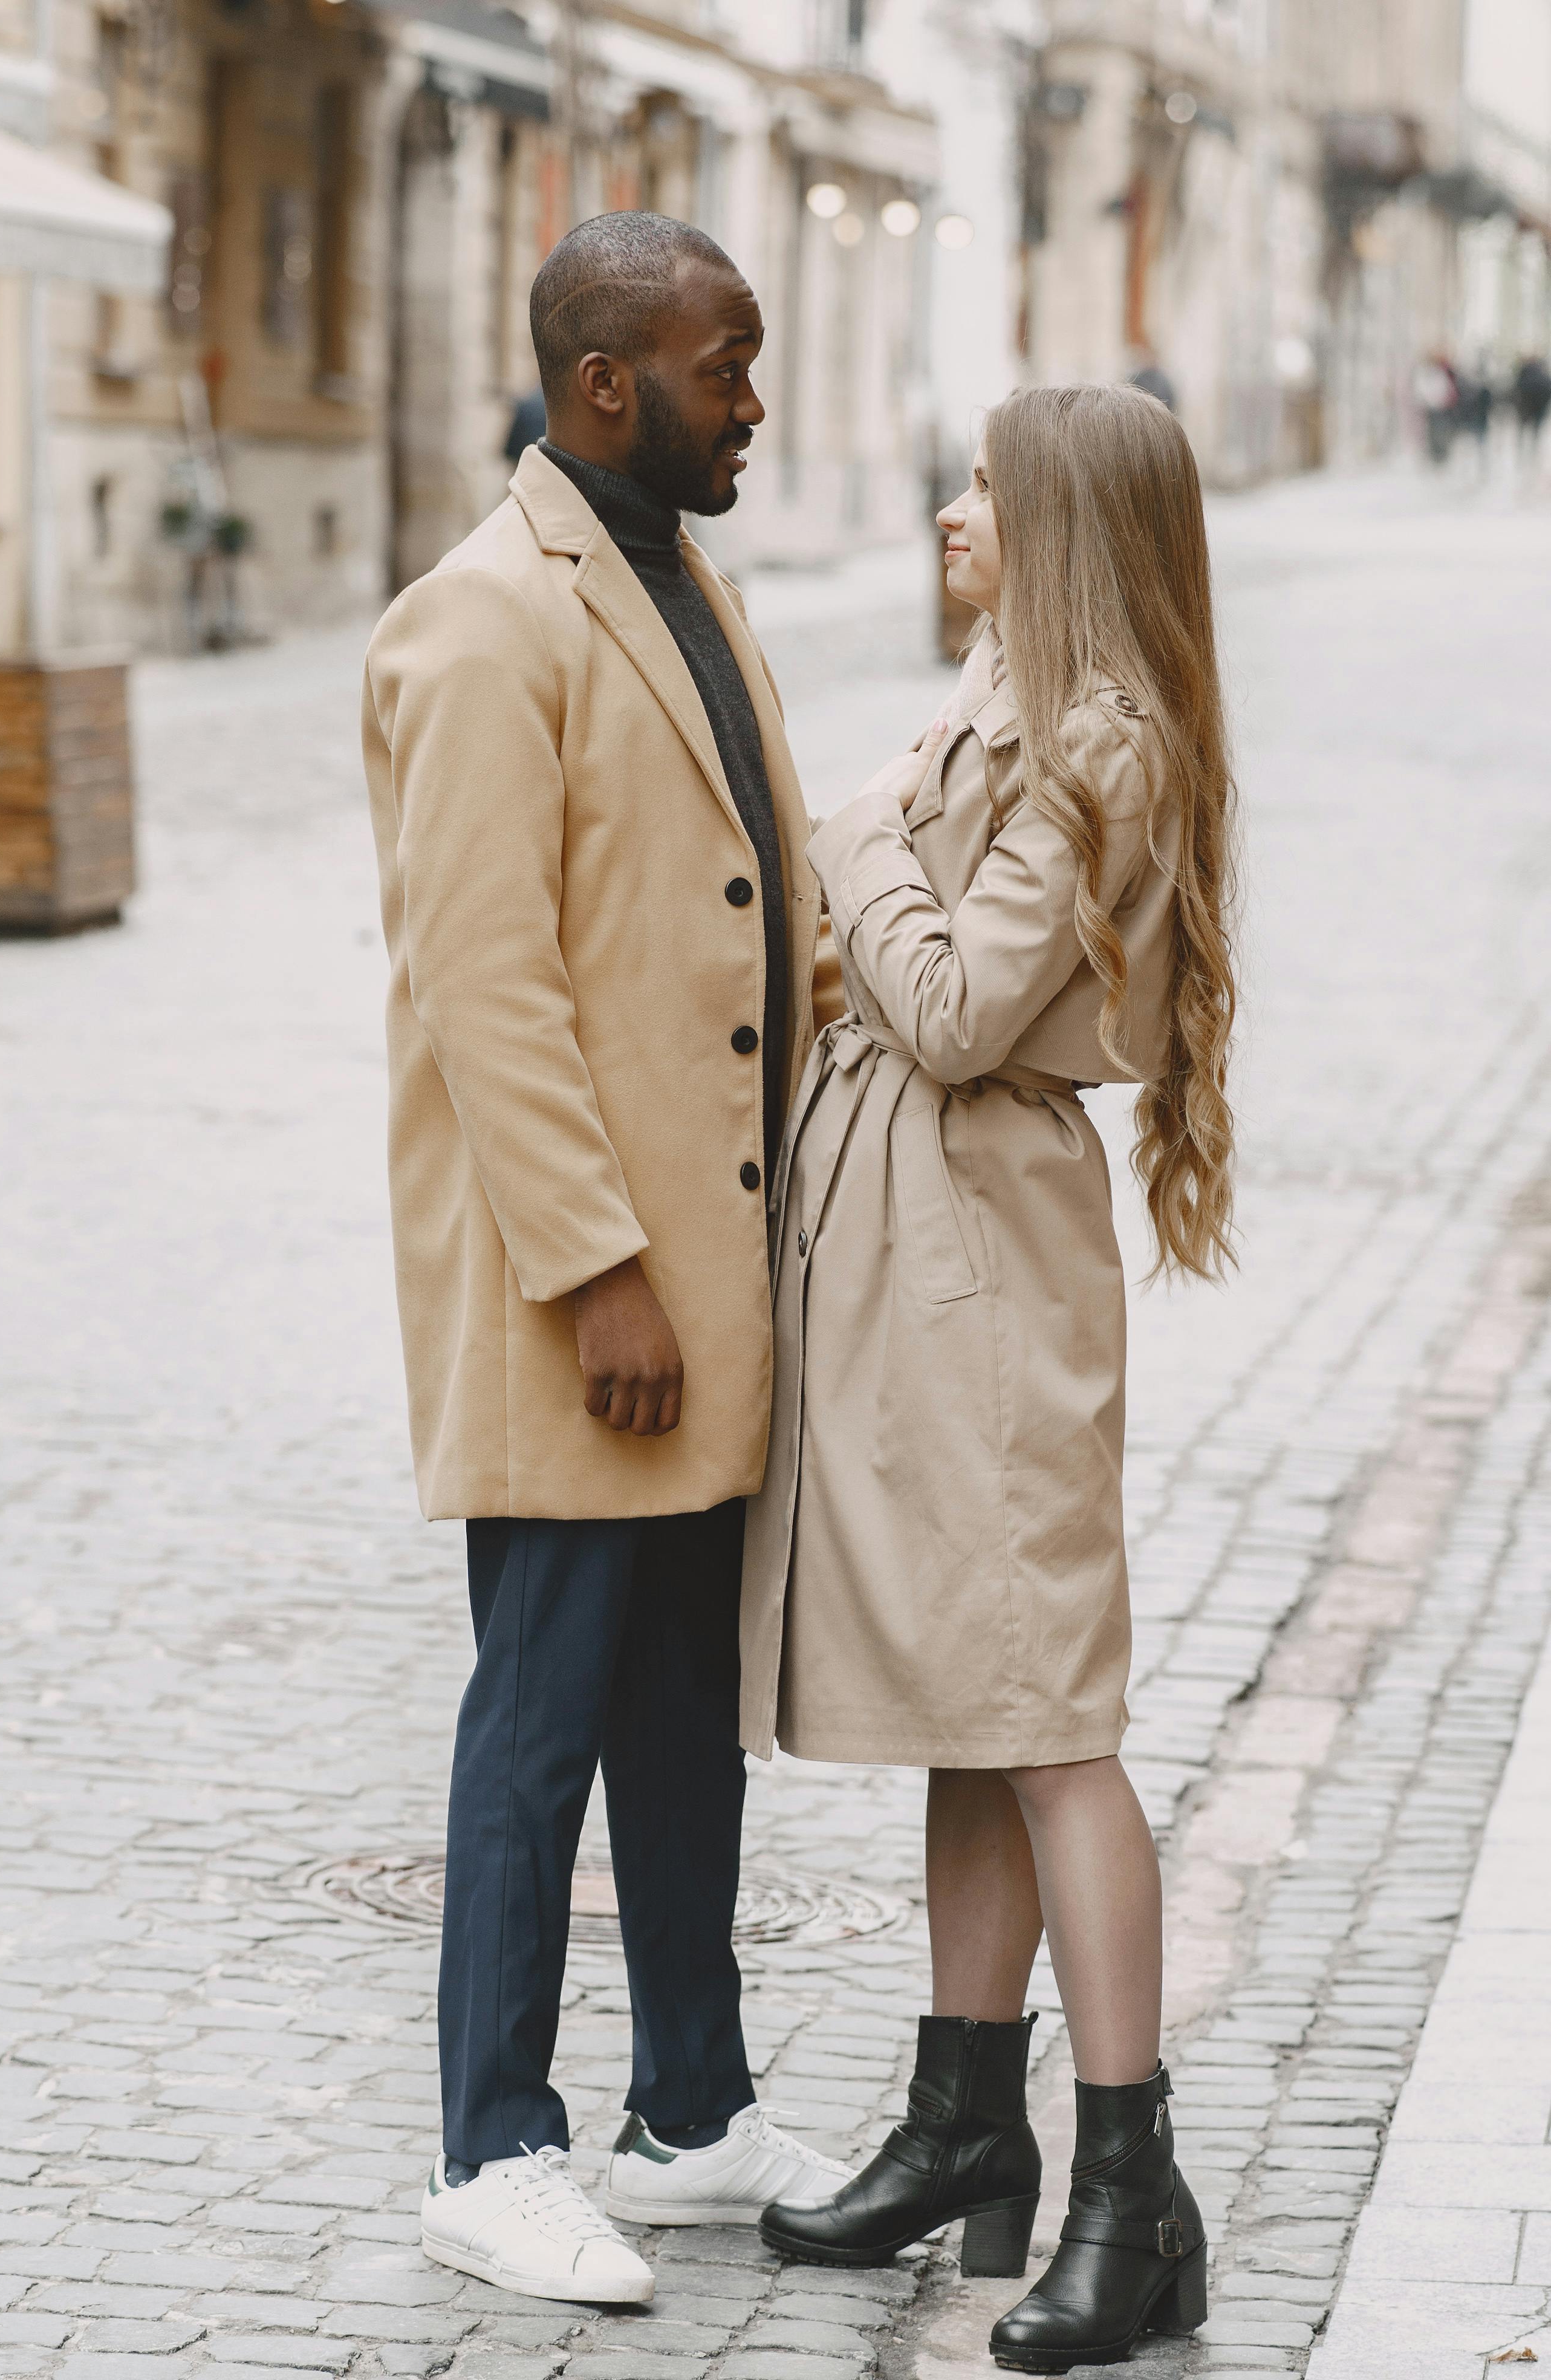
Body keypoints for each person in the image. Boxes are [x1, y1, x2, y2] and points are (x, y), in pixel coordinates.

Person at [362, 211, 850, 2310]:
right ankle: (491, 2143)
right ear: (604, 385)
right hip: (599, 1299)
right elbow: (484, 984)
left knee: (676, 1710)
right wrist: (598, 1271)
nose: (755, 399)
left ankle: (691, 2111)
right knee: (540, 1711)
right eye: (725, 364)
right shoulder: (480, 624)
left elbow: (761, 897)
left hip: (713, 1281)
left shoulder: (675, 576)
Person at [744, 383, 1238, 2372]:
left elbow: (947, 1006)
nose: (946, 509)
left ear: (1058, 528)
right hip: (909, 1241)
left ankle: (1138, 2187)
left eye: (978, 488)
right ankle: (965, 2124)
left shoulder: (1099, 740)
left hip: (984, 1257)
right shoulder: (1002, 696)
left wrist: (850, 835)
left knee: (1044, 1713)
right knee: (974, 1689)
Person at [1413, 353, 1458, 466]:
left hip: (1440, 408)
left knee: (1440, 432)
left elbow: (1445, 389)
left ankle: (1441, 456)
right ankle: (1435, 457)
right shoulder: (1426, 374)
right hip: (1430, 409)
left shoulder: (1439, 374)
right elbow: (1420, 391)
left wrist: (1440, 401)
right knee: (1432, 433)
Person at [1510, 353, 1551, 469]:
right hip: (1538, 411)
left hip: (1524, 411)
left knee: (1522, 432)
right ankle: (1532, 454)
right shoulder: (1544, 377)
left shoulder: (1524, 375)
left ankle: (1521, 455)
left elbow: (1515, 393)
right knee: (1535, 434)